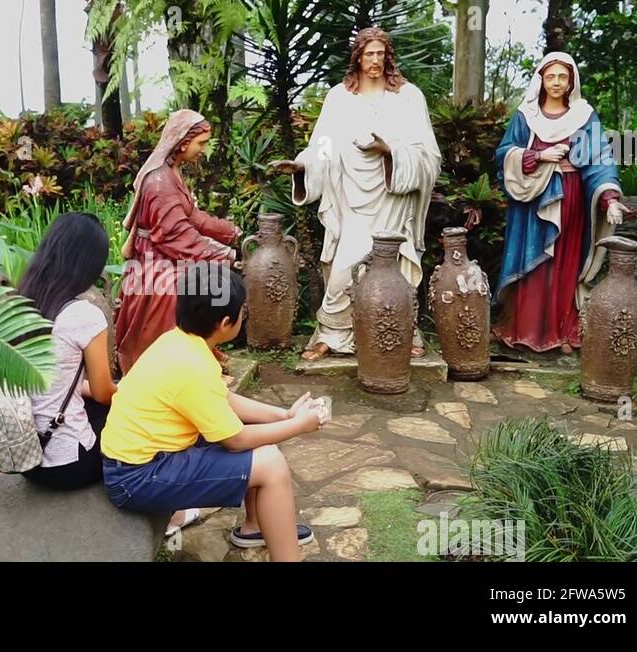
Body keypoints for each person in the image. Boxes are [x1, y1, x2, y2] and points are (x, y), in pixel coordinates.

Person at [101, 263, 327, 562]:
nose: (243, 315)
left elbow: (224, 399)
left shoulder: (177, 341)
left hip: (137, 462)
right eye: (241, 311)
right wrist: (300, 426)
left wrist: (285, 415)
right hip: (138, 478)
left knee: (263, 441)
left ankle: (254, 527)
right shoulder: (193, 365)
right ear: (224, 323)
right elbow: (235, 439)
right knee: (270, 464)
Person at [269, 27, 441, 361]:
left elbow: (428, 156)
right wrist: (303, 168)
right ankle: (331, 334)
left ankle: (404, 331)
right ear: (358, 57)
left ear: (388, 56)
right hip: (353, 200)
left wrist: (389, 151)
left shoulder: (408, 97)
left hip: (394, 197)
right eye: (368, 53)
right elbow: (323, 148)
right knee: (344, 269)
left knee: (394, 267)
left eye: (380, 53)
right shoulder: (339, 98)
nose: (375, 60)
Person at [492, 52, 634, 354]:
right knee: (532, 263)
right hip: (532, 200)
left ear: (571, 81)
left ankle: (560, 329)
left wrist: (610, 197)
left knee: (562, 262)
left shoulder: (583, 115)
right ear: (541, 80)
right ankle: (523, 329)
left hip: (569, 197)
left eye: (562, 77)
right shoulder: (525, 115)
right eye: (550, 76)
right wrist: (538, 156)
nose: (556, 82)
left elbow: (599, 159)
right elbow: (504, 153)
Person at [115, 109, 240, 375]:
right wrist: (223, 253)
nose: (203, 150)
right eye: (201, 143)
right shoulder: (159, 182)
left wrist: (230, 232)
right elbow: (174, 235)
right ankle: (169, 368)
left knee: (206, 286)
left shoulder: (172, 174)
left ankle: (197, 356)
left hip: (169, 255)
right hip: (156, 264)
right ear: (183, 142)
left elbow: (193, 217)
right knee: (194, 292)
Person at [18, 212, 117, 490]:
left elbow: (55, 380)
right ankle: (177, 509)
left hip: (26, 457)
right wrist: (130, 392)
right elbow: (103, 392)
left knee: (95, 406)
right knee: (135, 417)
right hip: (70, 466)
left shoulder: (21, 303)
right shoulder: (83, 315)